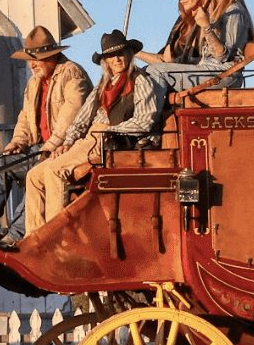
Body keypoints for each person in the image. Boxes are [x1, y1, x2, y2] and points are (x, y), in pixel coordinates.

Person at [0, 26, 90, 247]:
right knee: (0, 165)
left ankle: (15, 235)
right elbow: (25, 116)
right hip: (39, 147)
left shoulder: (71, 73)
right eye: (29, 60)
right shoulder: (34, 82)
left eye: (37, 60)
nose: (32, 65)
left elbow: (71, 113)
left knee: (35, 175)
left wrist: (52, 145)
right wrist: (18, 141)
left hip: (65, 149)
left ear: (52, 56)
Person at [22, 31, 167, 235]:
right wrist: (68, 142)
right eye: (111, 56)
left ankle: (55, 236)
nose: (117, 59)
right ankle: (33, 235)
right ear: (105, 61)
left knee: (55, 171)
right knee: (34, 175)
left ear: (128, 54)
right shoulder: (103, 85)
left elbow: (145, 120)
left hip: (110, 139)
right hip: (88, 138)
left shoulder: (140, 81)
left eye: (120, 54)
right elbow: (82, 118)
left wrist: (110, 131)